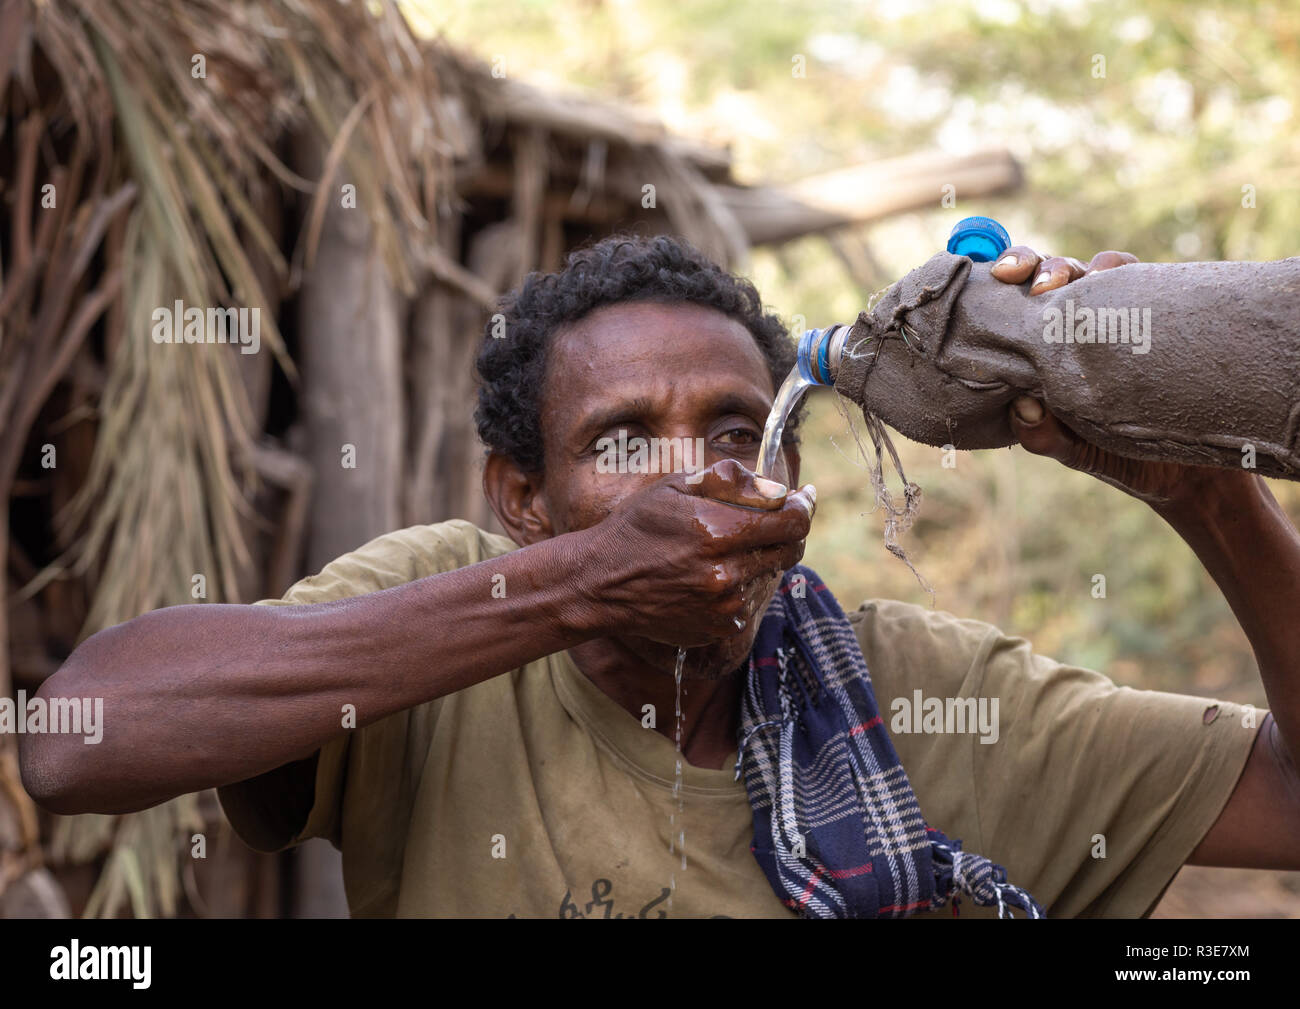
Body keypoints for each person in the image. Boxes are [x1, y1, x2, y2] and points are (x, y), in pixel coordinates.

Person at [19, 235, 1300, 918]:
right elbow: (79, 743)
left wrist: (1207, 496)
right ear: (522, 499)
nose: (699, 477)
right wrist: (579, 588)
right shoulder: (447, 599)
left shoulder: (914, 686)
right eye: (622, 442)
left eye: (738, 433)